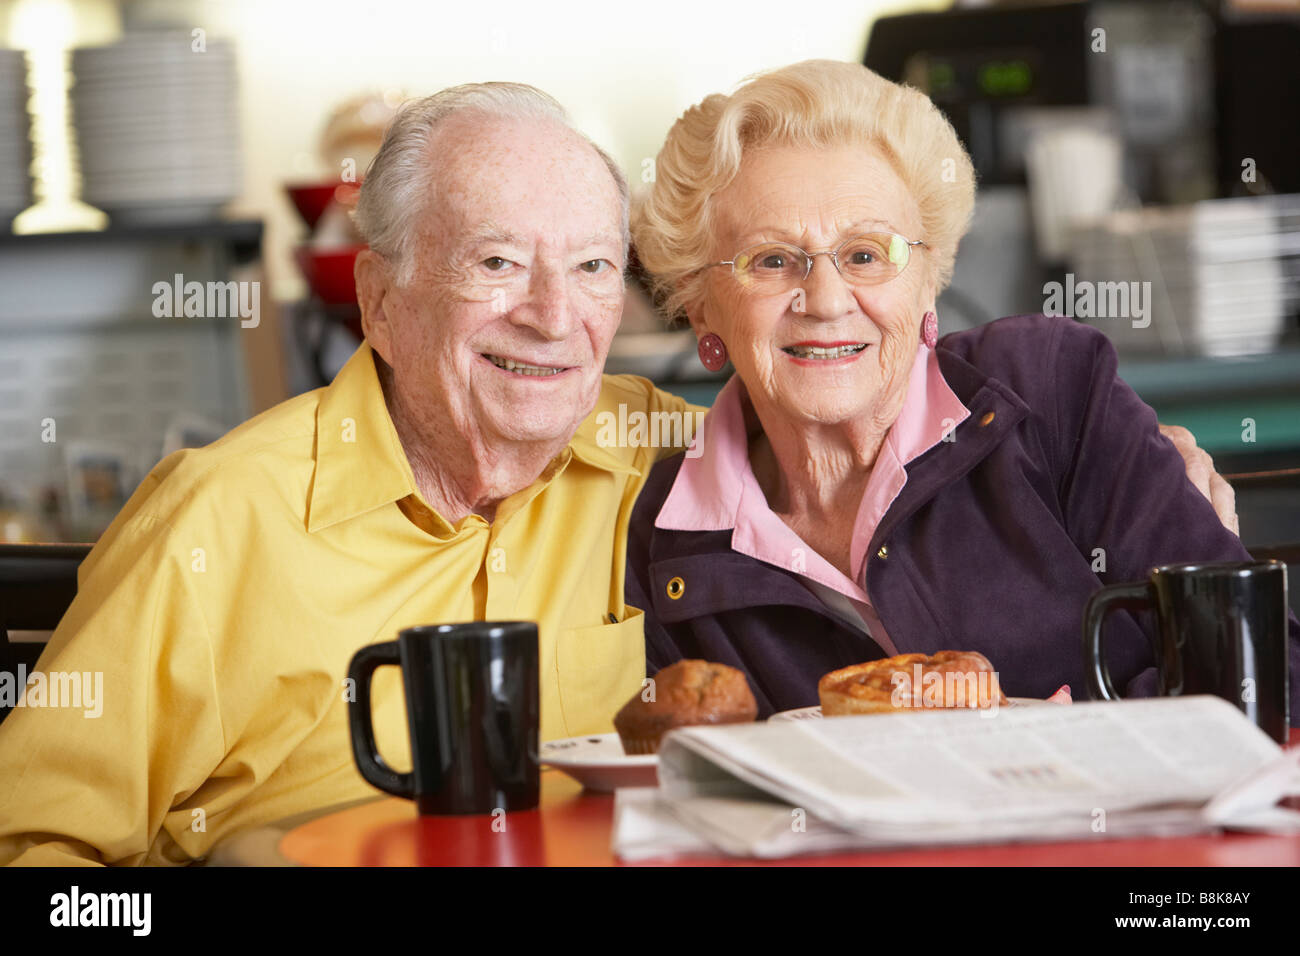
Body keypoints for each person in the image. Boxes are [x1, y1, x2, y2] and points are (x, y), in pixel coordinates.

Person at [0, 78, 1234, 867]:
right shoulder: (219, 522)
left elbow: (847, 356)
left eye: (591, 269)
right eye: (496, 262)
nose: (552, 317)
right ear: (378, 296)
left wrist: (1139, 468)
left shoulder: (653, 464)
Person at [624, 59, 1298, 718]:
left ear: (929, 279)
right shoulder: (667, 536)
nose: (827, 300)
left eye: (866, 254)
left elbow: (1264, 676)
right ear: (700, 303)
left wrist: (1033, 757)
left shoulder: (1051, 389)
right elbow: (690, 784)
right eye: (771, 260)